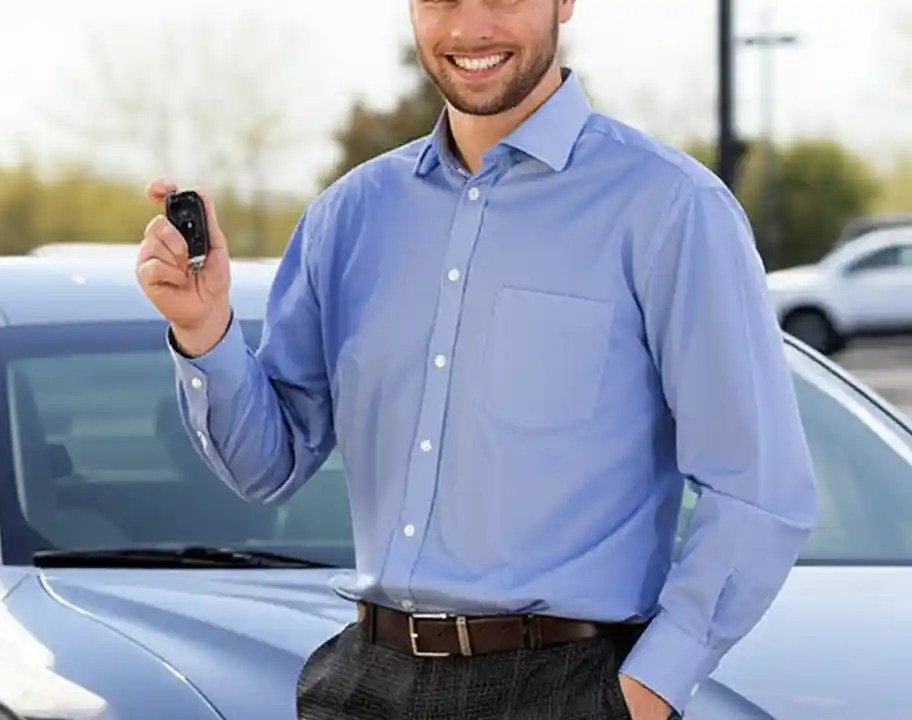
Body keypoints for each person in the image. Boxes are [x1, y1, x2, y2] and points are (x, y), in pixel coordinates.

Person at [134, 0, 818, 717]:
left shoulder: (671, 208)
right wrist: (204, 328)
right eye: (442, 1)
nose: (469, 29)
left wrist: (645, 692)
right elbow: (267, 466)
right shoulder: (349, 216)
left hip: (566, 687)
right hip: (363, 680)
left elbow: (759, 490)